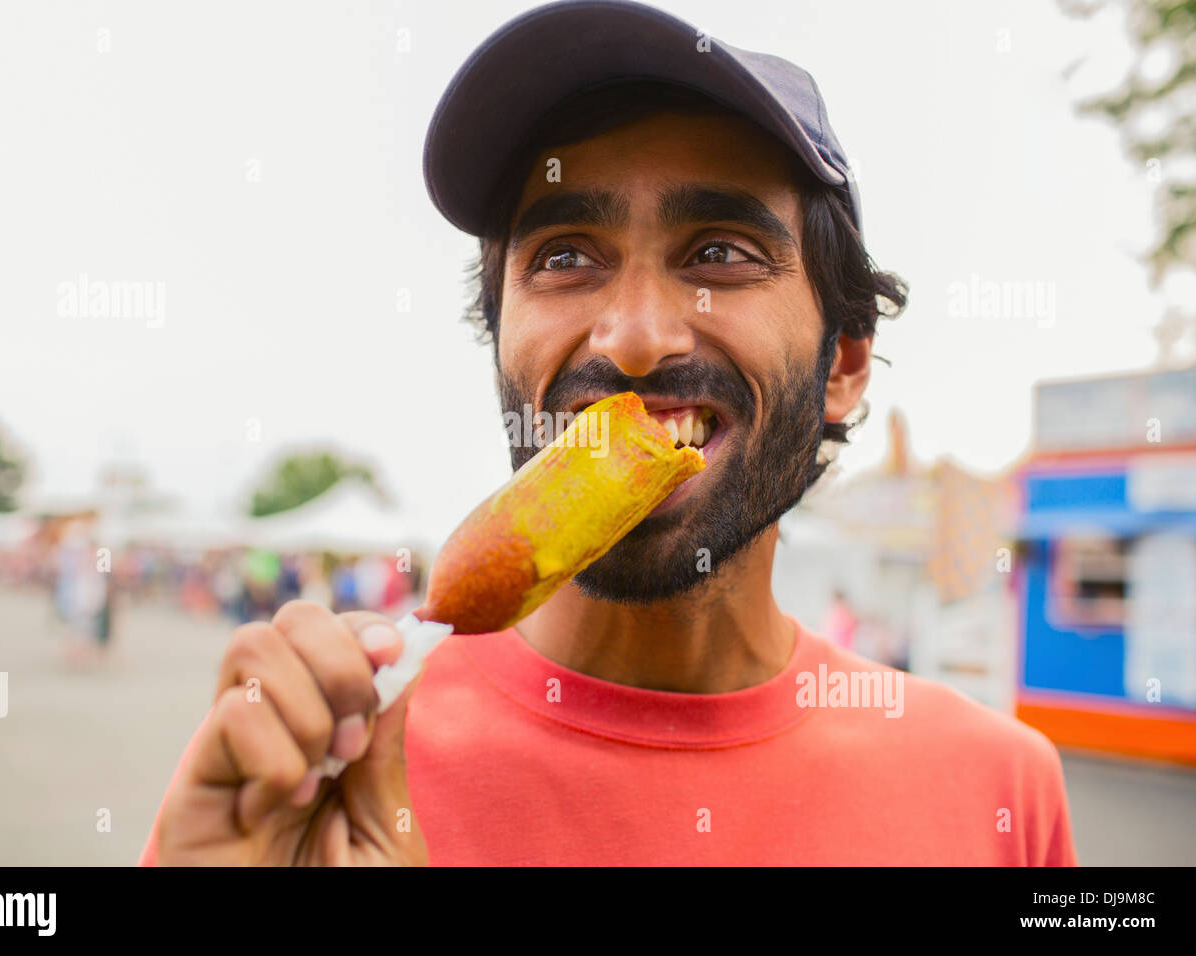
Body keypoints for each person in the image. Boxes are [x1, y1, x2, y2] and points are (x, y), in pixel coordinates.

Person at [140, 1, 1076, 866]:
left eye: (719, 252)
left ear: (843, 366)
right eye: (565, 257)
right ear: (499, 338)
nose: (633, 339)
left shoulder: (1001, 792)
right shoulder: (315, 774)